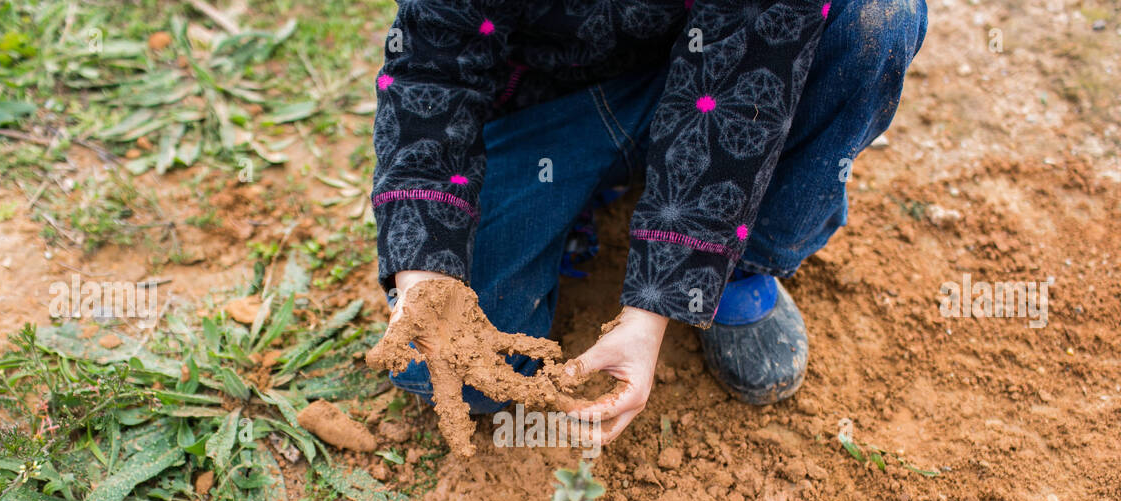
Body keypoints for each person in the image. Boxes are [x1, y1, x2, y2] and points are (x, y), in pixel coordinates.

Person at [370, 0, 928, 446]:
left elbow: (746, 78)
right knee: (445, 367)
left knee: (877, 17)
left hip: (714, 79)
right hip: (546, 108)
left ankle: (737, 264)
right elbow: (432, 70)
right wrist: (426, 274)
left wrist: (656, 307)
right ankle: (580, 190)